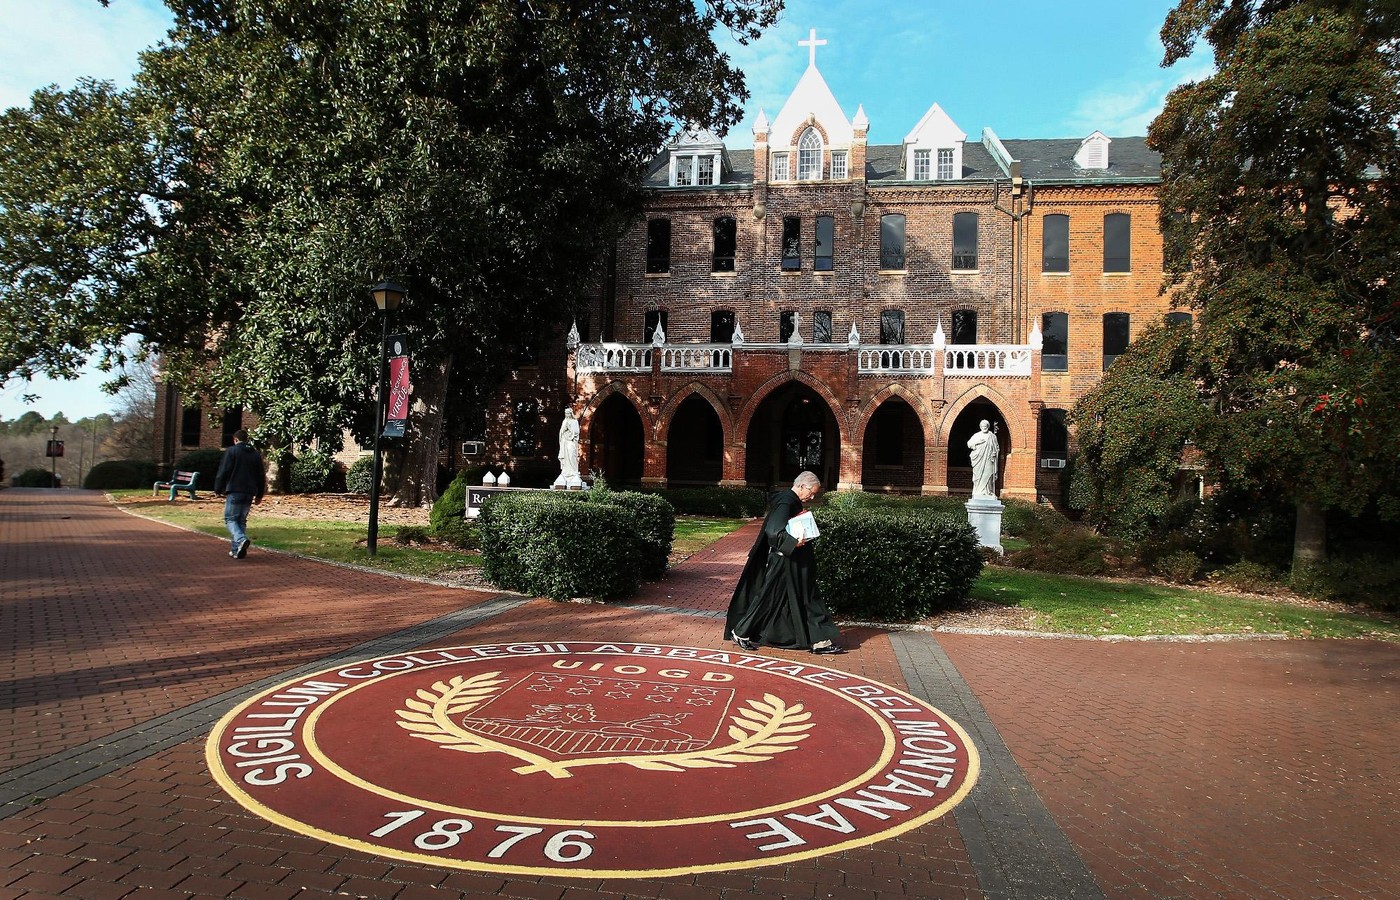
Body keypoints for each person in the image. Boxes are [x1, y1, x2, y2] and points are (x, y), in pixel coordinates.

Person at [724, 471, 844, 655]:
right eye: (811, 492)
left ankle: (818, 641)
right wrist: (794, 542)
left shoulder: (788, 500)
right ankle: (741, 632)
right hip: (784, 561)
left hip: (790, 560)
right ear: (802, 486)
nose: (812, 497)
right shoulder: (786, 502)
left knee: (796, 596)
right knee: (780, 597)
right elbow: (774, 531)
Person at [214, 429, 265, 559]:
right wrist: (259, 494)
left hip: (235, 490)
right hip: (249, 492)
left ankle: (241, 539)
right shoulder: (255, 454)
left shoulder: (232, 451)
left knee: (230, 519)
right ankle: (236, 550)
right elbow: (260, 475)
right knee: (240, 520)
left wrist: (218, 489)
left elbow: (224, 471)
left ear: (235, 440)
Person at [968, 419, 1000, 499]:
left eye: (985, 426)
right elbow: (969, 444)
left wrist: (995, 453)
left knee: (988, 474)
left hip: (989, 459)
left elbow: (997, 447)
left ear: (988, 426)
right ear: (980, 427)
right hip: (979, 459)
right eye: (982, 426)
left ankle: (988, 491)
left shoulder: (992, 436)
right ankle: (978, 491)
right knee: (978, 476)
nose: (984, 427)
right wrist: (977, 442)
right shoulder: (977, 435)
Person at [558, 409, 580, 482]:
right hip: (564, 442)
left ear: (571, 414)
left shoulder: (575, 422)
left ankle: (573, 472)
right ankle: (566, 472)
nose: (567, 415)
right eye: (566, 414)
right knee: (566, 457)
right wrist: (564, 428)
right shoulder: (564, 421)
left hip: (571, 442)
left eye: (568, 413)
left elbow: (576, 433)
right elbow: (561, 432)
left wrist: (570, 428)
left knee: (571, 455)